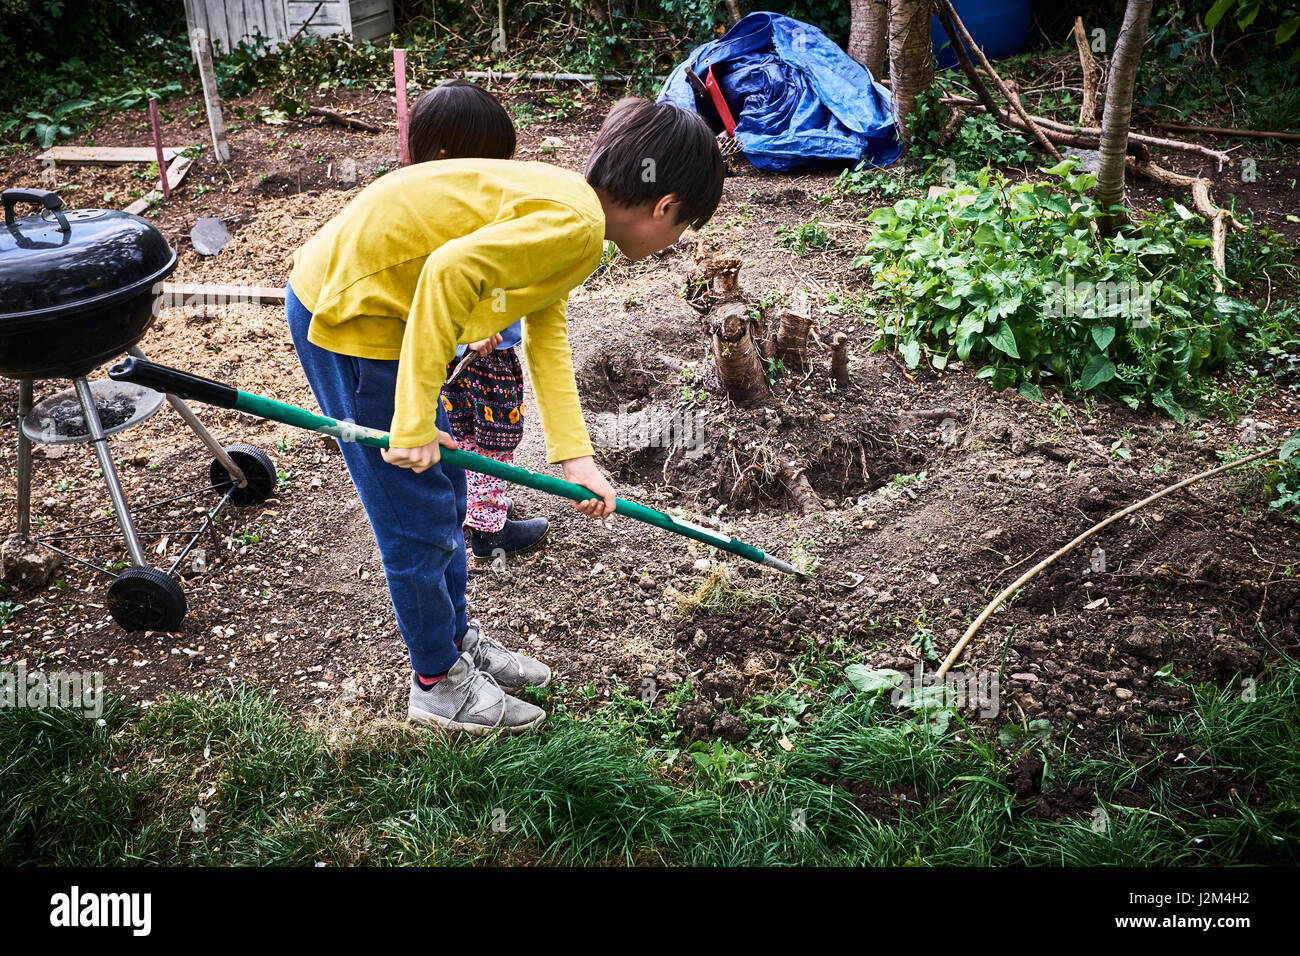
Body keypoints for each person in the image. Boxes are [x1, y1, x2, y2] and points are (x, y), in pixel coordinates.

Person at [285, 97, 724, 733]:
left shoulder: (575, 210)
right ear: (664, 204)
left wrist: (576, 456)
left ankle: (456, 643)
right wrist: (411, 420)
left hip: (380, 313)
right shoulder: (573, 226)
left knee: (447, 493)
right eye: (683, 228)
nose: (674, 243)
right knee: (416, 517)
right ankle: (437, 682)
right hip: (351, 319)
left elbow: (544, 328)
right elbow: (444, 272)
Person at [408, 79, 548, 559]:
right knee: (491, 441)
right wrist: (475, 329)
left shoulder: (432, 202)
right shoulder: (458, 213)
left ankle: (477, 511)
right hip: (482, 354)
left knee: (462, 434)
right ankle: (489, 532)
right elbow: (446, 280)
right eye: (489, 157)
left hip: (453, 353)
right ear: (452, 154)